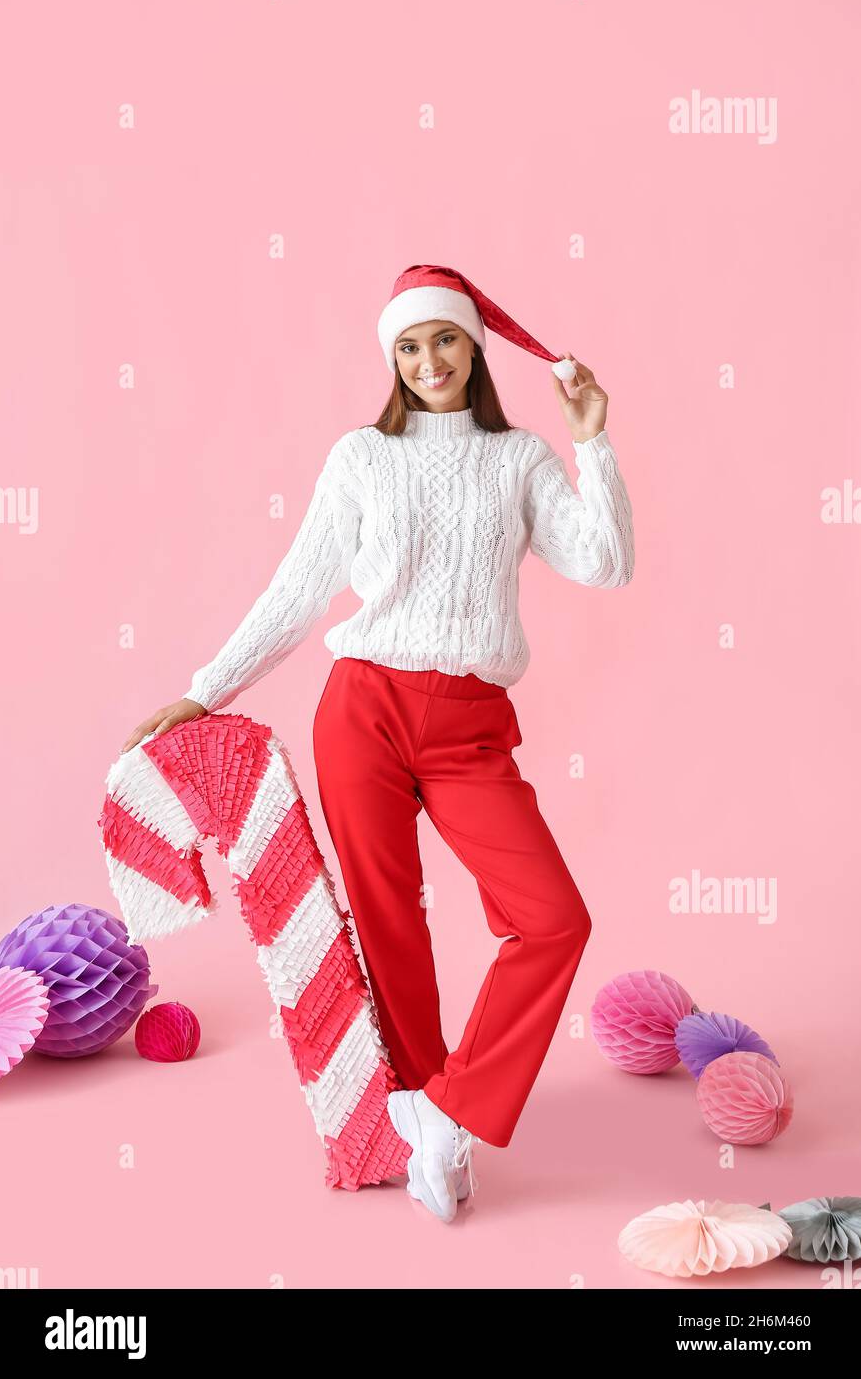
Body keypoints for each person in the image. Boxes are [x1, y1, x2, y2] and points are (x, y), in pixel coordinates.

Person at [121, 264, 635, 1224]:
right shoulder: (360, 456)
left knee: (552, 918)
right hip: (363, 710)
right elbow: (299, 588)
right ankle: (420, 1141)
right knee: (390, 927)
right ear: (391, 361)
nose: (427, 360)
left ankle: (449, 1110)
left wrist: (591, 438)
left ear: (474, 347)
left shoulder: (518, 458)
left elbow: (606, 565)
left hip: (470, 724)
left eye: (443, 339)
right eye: (408, 346)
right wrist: (202, 694)